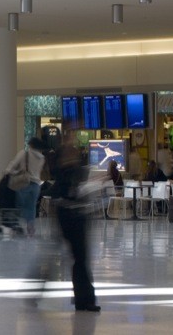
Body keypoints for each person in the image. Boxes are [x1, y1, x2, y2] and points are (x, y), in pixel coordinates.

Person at [52, 127, 99, 312]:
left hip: (75, 214)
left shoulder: (70, 166)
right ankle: (84, 299)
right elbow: (69, 189)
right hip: (70, 215)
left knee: (80, 258)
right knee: (79, 258)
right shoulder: (65, 169)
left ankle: (84, 298)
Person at [4, 137, 46, 237]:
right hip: (36, 185)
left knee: (19, 205)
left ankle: (16, 226)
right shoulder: (42, 158)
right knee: (31, 207)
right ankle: (30, 226)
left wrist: (9, 172)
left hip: (23, 182)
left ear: (30, 145)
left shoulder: (24, 153)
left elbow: (12, 165)